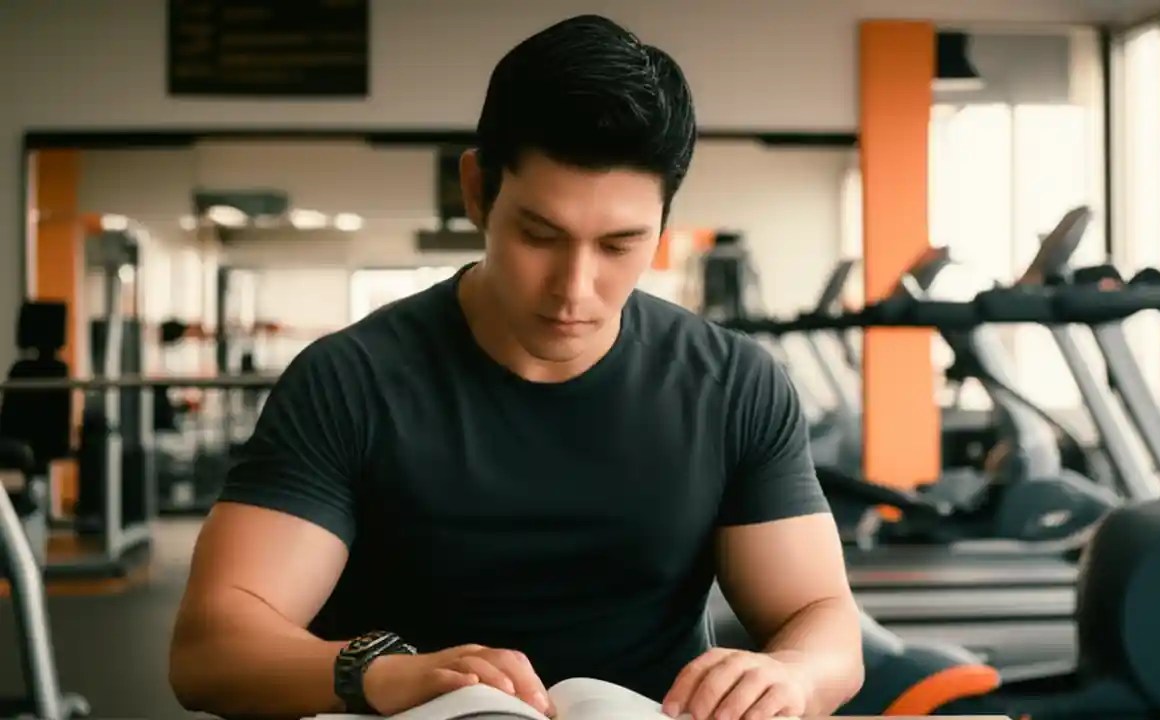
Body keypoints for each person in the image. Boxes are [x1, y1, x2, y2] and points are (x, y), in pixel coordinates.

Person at [169, 14, 864, 720]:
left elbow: (821, 615)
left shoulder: (734, 385)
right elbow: (211, 649)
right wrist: (377, 672)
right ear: (477, 192)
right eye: (540, 235)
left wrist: (797, 675)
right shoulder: (348, 381)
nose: (573, 289)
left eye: (621, 244)